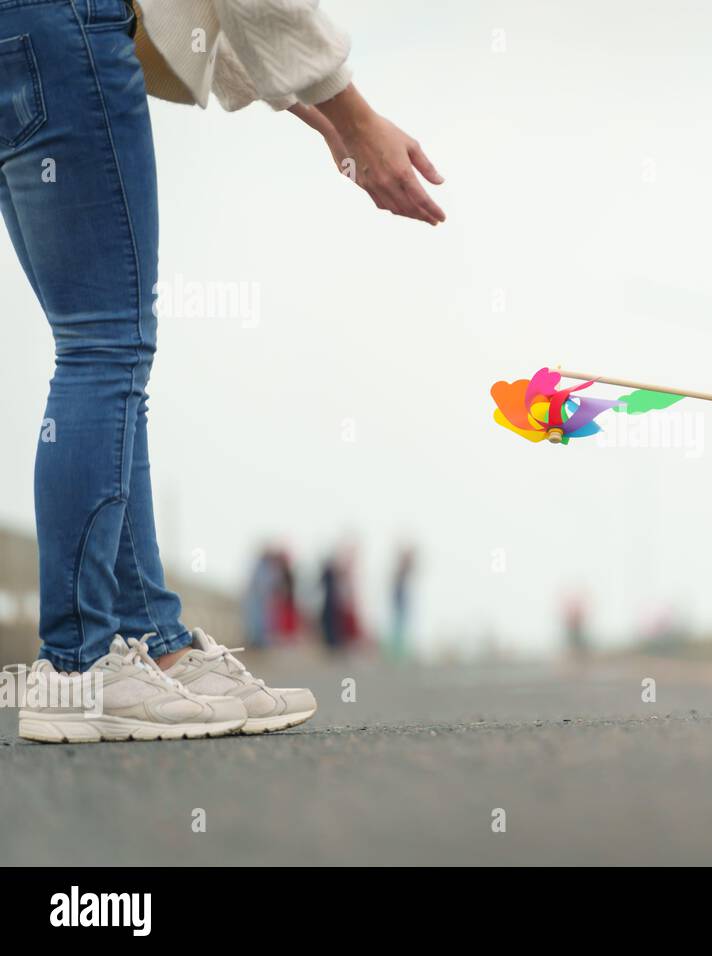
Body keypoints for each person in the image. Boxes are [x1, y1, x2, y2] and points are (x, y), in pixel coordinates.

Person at [3, 0, 442, 743]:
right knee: (104, 347)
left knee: (102, 348)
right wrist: (356, 114)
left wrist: (323, 112)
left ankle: (152, 644)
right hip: (68, 26)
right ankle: (78, 666)